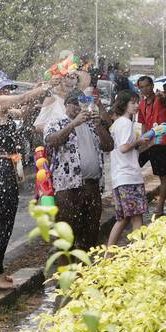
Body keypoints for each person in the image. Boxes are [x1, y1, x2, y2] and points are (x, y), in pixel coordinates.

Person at [0, 72, 52, 288]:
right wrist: (43, 88)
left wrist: (38, 90)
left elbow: (23, 109)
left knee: (3, 221)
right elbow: (21, 99)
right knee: (4, 222)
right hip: (1, 168)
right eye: (5, 88)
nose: (8, 91)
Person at [44, 90, 114, 254]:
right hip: (68, 189)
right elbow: (51, 142)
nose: (79, 108)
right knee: (66, 237)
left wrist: (99, 126)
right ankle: (64, 275)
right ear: (67, 104)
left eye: (82, 103)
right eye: (75, 104)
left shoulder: (92, 124)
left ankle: (83, 274)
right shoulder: (57, 122)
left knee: (90, 235)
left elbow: (109, 146)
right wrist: (73, 124)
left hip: (92, 187)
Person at [108, 92, 151, 245]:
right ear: (123, 104)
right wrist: (138, 141)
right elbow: (124, 148)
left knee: (123, 218)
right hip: (129, 176)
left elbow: (130, 149)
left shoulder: (117, 123)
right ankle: (139, 254)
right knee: (137, 217)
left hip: (120, 176)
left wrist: (144, 143)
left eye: (136, 102)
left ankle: (108, 255)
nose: (136, 105)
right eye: (132, 103)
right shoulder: (126, 123)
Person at [136, 76, 166, 216]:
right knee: (133, 166)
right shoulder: (141, 104)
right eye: (142, 87)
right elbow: (144, 124)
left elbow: (164, 100)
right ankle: (136, 201)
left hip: (163, 143)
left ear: (152, 85)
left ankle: (160, 208)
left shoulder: (160, 99)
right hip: (149, 143)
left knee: (163, 176)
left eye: (147, 86)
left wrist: (162, 95)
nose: (145, 89)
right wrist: (141, 141)